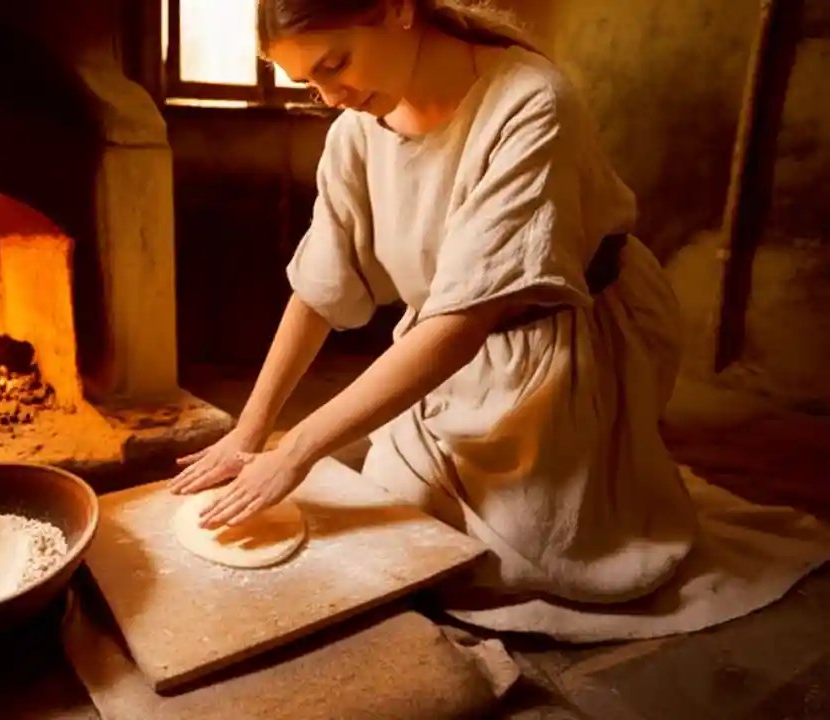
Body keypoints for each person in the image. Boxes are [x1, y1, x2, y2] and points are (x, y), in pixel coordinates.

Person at [168, 0, 830, 641]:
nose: (328, 95)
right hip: (442, 347)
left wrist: (300, 449)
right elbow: (318, 286)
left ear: (398, 9)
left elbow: (465, 322)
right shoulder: (356, 131)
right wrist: (249, 434)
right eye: (305, 81)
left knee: (520, 567)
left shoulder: (530, 102)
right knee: (403, 530)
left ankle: (605, 474)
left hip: (561, 346)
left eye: (334, 63)